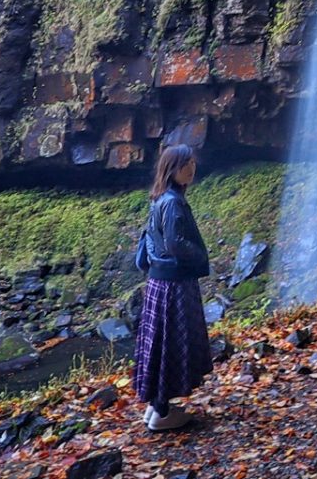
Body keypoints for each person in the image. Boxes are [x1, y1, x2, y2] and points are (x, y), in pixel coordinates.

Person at [132, 142, 213, 431]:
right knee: (172, 341)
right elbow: (175, 244)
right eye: (184, 165)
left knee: (161, 342)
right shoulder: (173, 202)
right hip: (174, 284)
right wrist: (200, 254)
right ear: (171, 169)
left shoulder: (161, 197)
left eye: (192, 163)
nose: (191, 169)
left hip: (160, 280)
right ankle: (162, 414)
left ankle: (156, 407)